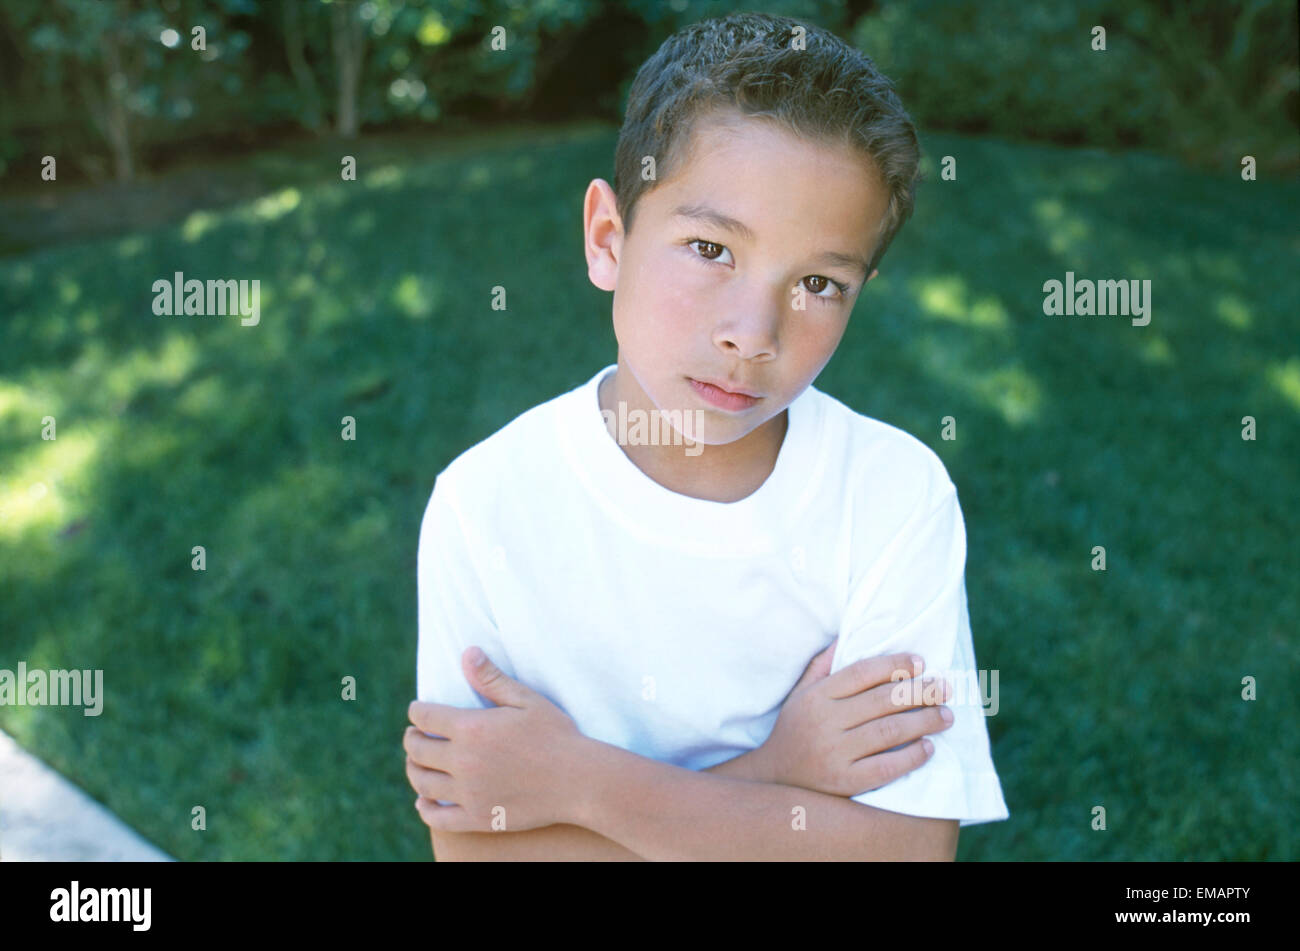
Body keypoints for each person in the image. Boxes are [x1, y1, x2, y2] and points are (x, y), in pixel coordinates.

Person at [404, 10, 1009, 861]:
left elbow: (906, 852)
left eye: (818, 283)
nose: (753, 331)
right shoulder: (486, 504)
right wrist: (781, 770)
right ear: (608, 239)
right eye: (710, 248)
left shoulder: (892, 497)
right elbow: (479, 854)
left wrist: (576, 784)